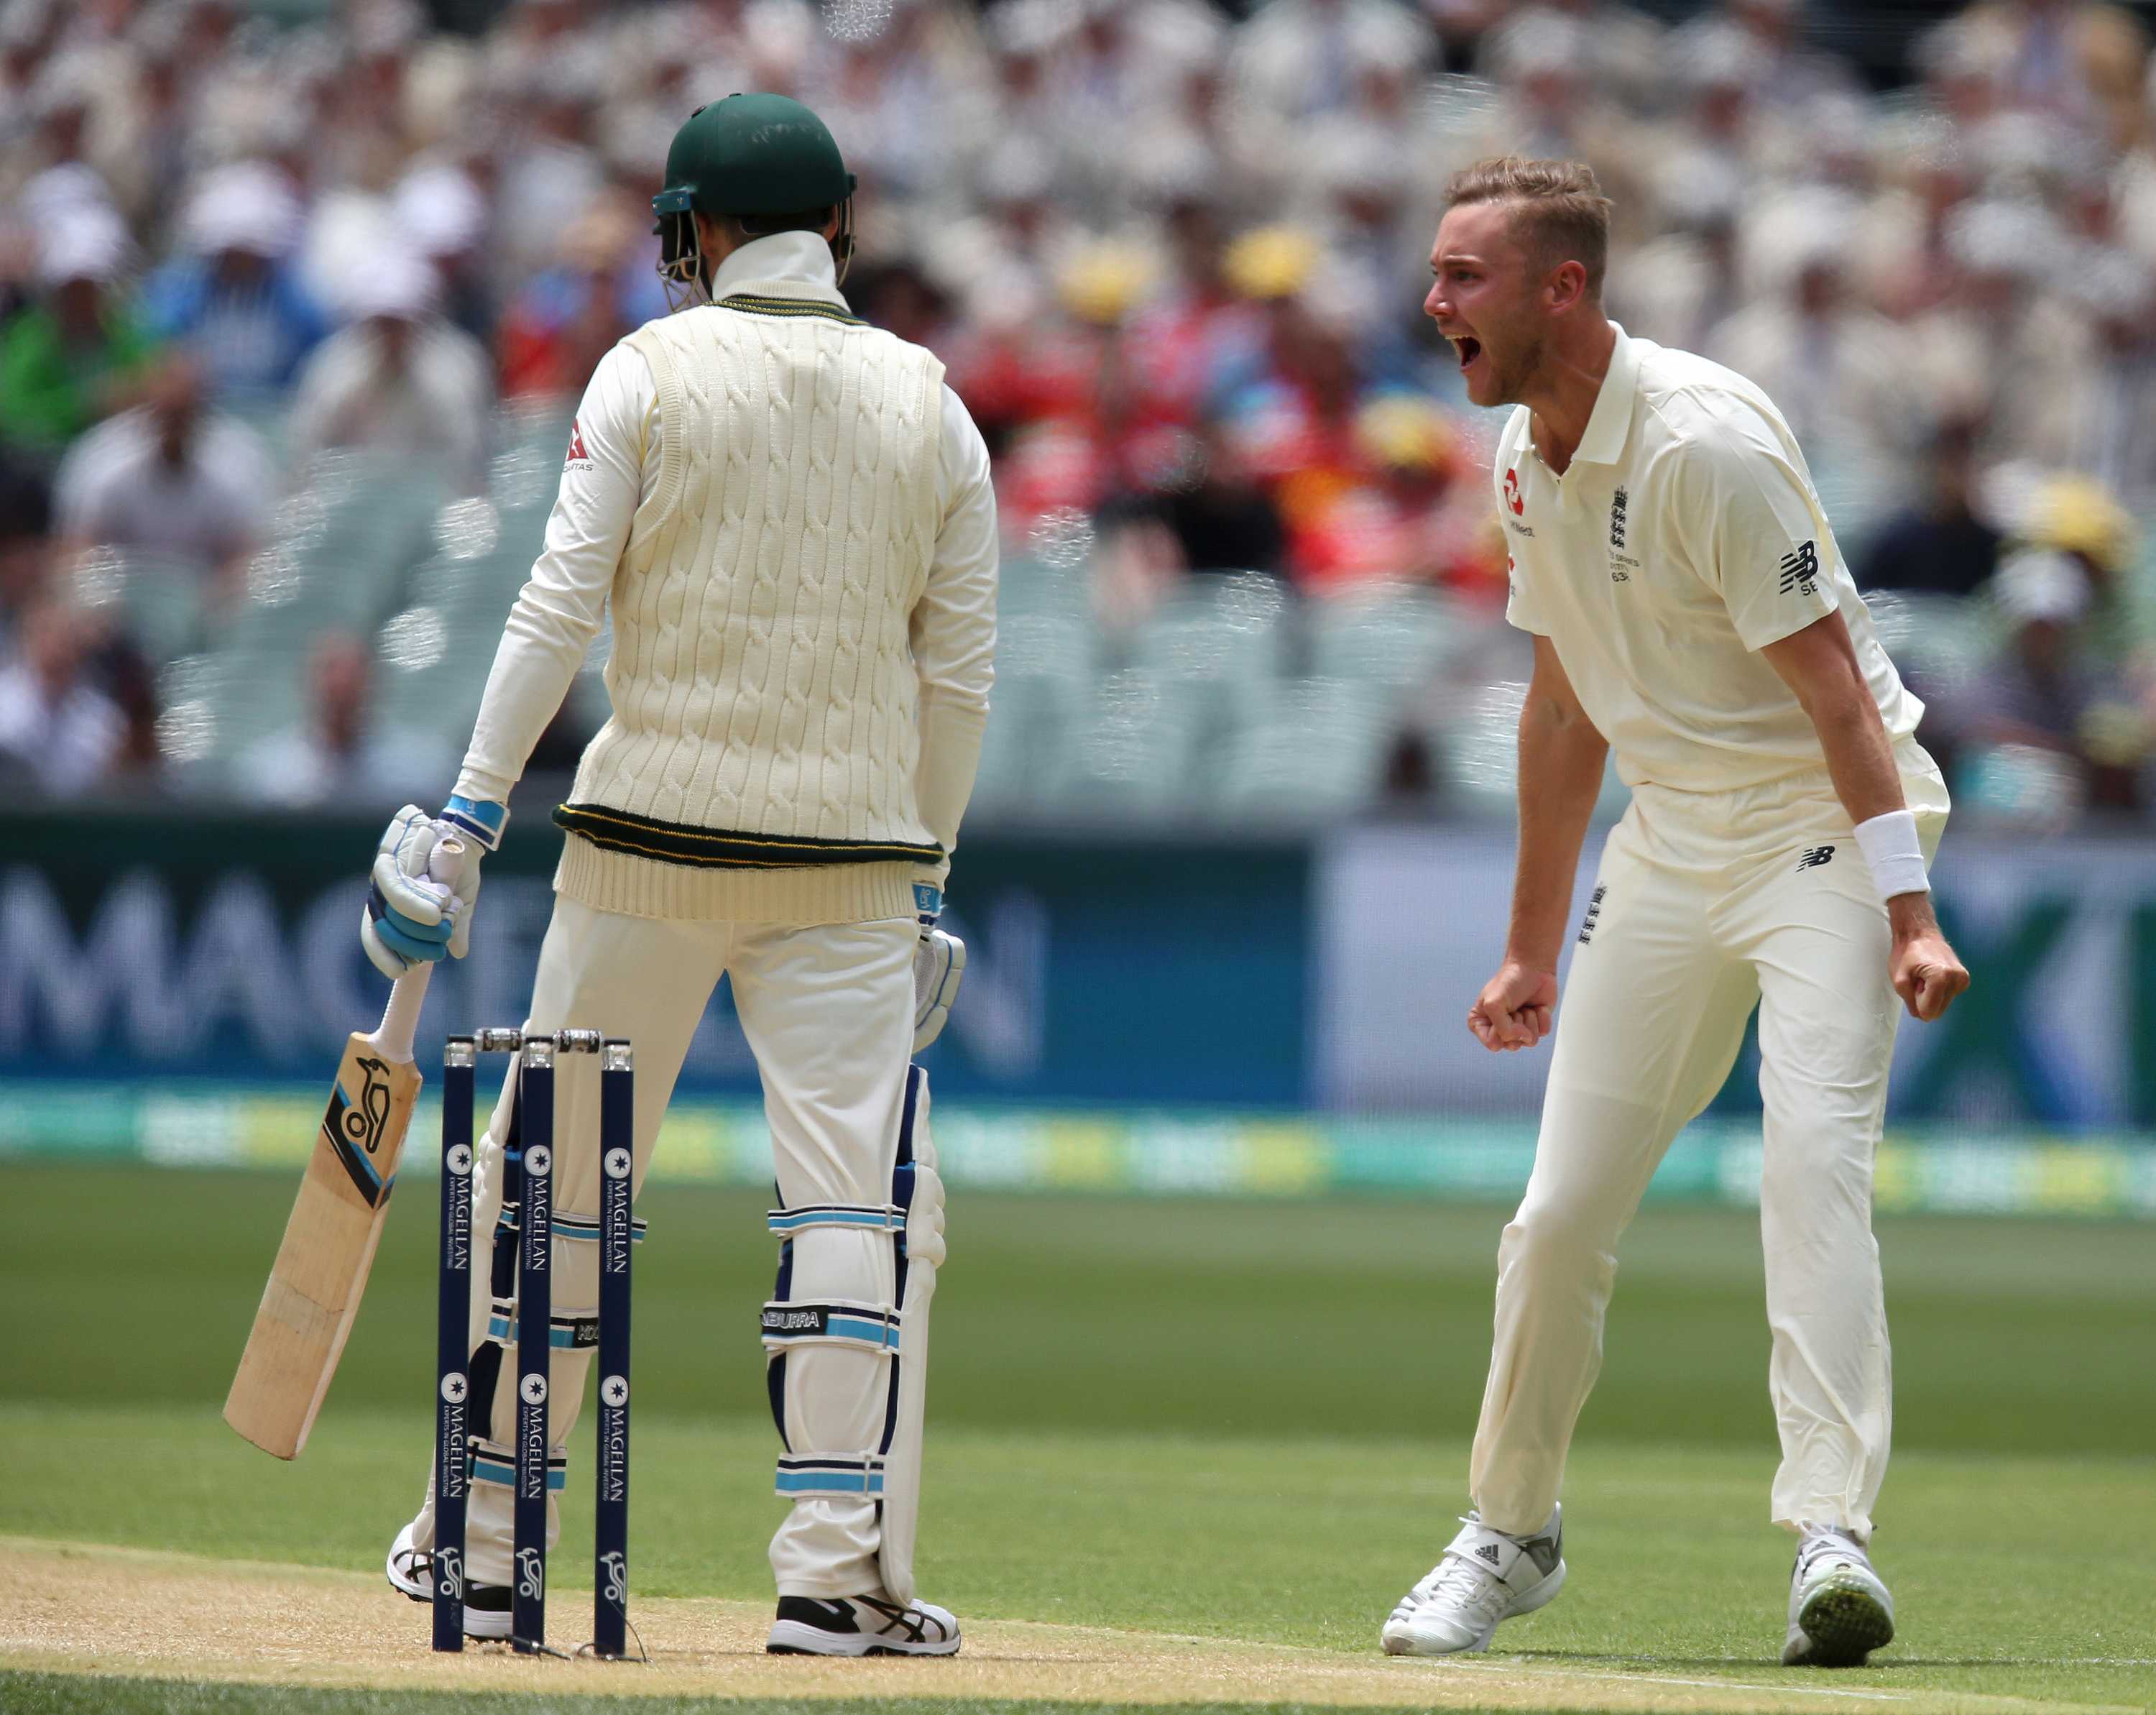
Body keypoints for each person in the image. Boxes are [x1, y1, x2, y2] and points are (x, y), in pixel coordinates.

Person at [369, 94, 995, 1657]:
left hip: (642, 842)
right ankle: (831, 1578)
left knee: (555, 1178)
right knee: (852, 1195)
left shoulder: (648, 369)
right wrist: (929, 878)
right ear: (840, 223)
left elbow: (555, 604)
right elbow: (960, 679)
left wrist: (467, 808)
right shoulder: (935, 404)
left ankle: (491, 1537)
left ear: (699, 229)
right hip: (853, 863)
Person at [1383, 157, 1969, 1668]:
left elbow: (1840, 691)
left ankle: (1830, 1533)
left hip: (1830, 837)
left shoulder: (1706, 443)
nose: (1433, 301)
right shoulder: (1522, 458)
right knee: (1559, 1209)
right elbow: (1564, 703)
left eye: (1464, 277)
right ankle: (1509, 1531)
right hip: (1674, 842)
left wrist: (1909, 910)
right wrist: (1530, 940)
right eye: (1438, 272)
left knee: (1811, 1161)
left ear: (1561, 289)